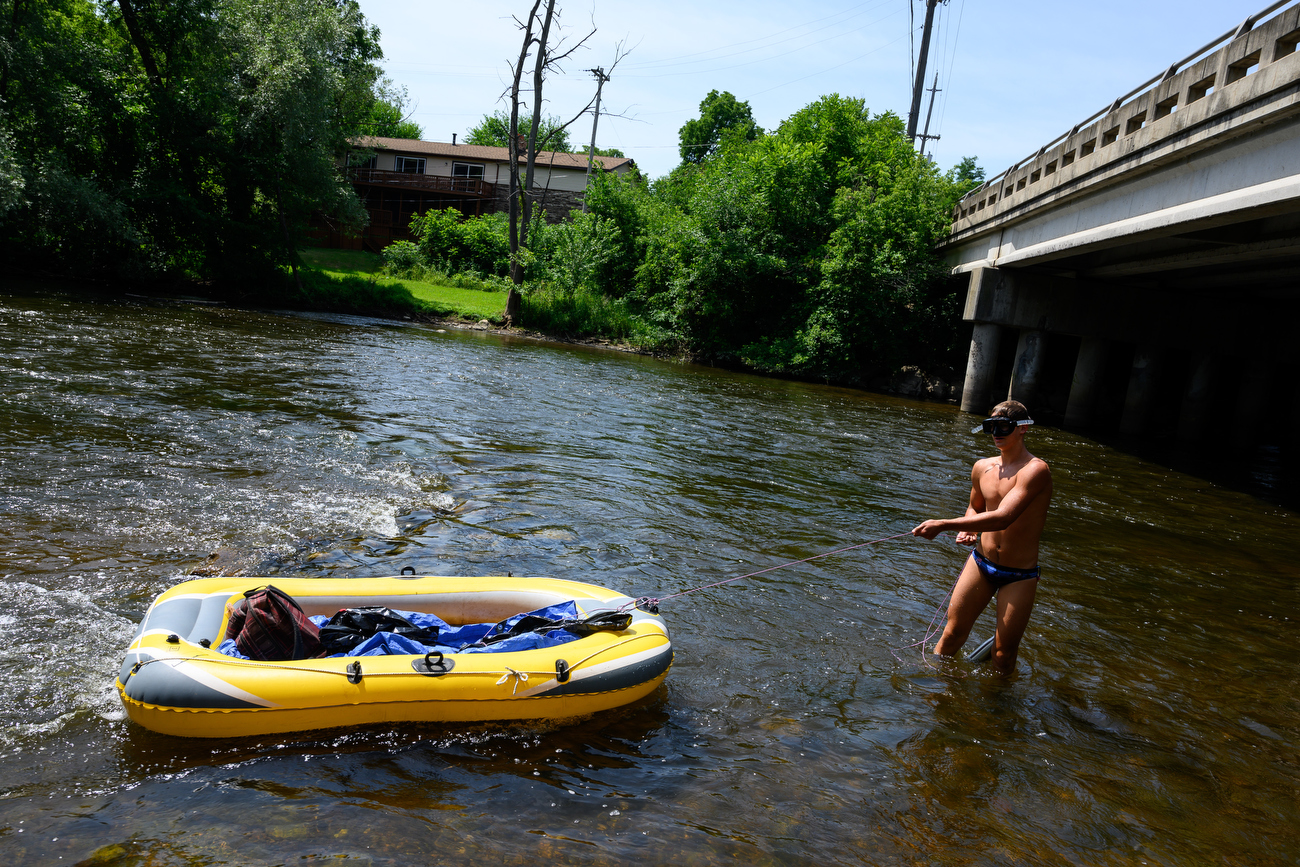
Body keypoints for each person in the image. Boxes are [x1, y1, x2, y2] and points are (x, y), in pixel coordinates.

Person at [911, 400, 1052, 674]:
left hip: (1019, 574)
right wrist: (968, 527)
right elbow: (976, 506)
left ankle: (996, 707)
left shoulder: (1036, 470)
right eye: (990, 427)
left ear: (1022, 428)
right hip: (981, 563)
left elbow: (1003, 516)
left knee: (1003, 655)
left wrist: (944, 524)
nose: (996, 433)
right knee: (951, 636)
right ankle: (932, 690)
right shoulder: (981, 468)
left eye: (1003, 426)